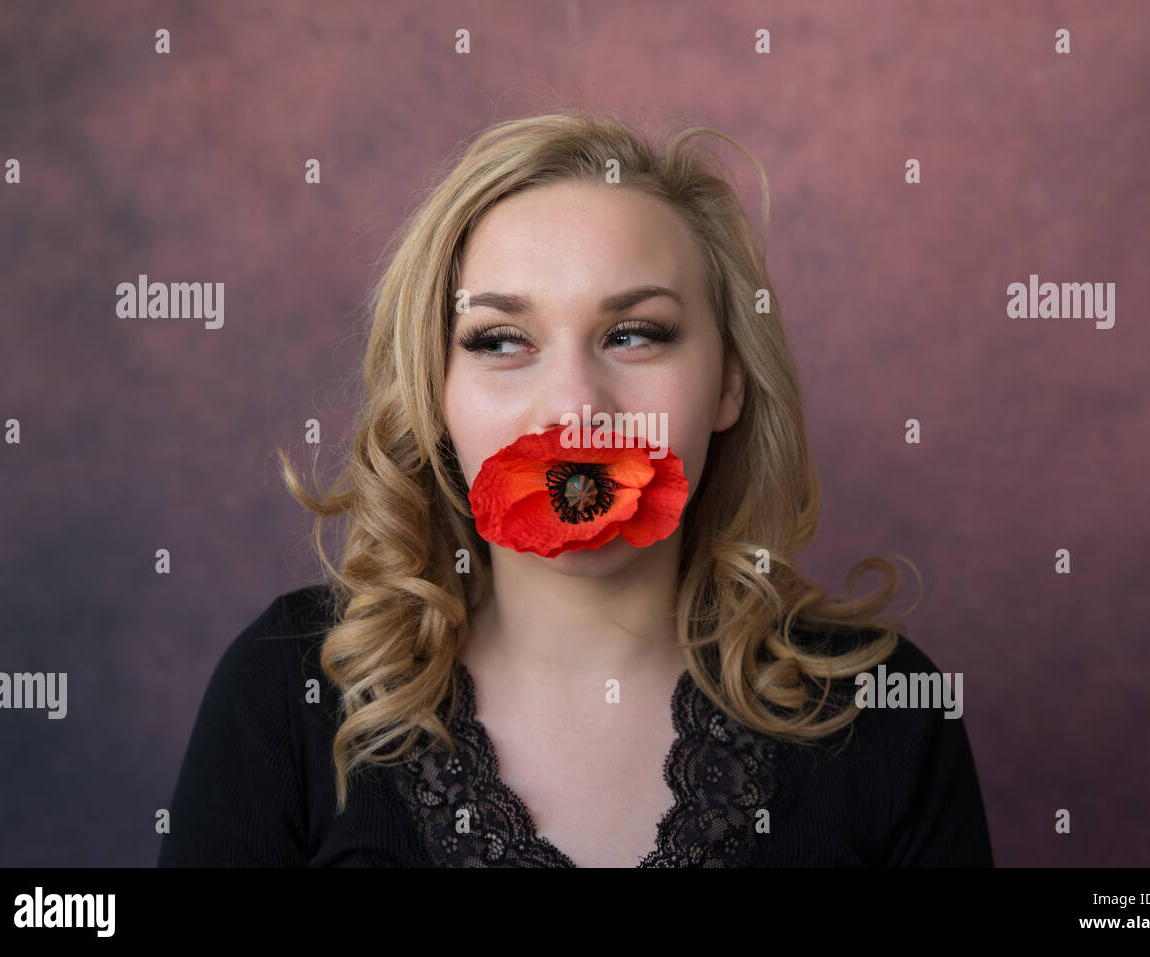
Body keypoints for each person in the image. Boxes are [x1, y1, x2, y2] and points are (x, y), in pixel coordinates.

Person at [158, 109, 994, 868]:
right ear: (434, 395)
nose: (574, 407)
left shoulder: (888, 714)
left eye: (634, 334)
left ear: (730, 384)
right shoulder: (288, 688)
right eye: (499, 339)